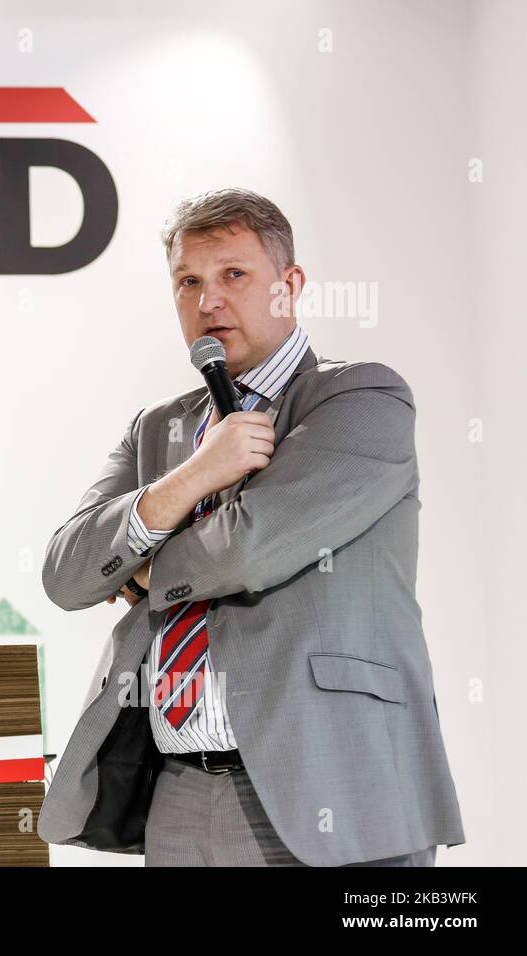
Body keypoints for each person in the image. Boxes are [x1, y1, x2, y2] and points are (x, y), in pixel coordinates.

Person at [36, 188, 465, 866]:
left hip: (332, 781)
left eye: (233, 275)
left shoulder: (360, 397)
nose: (209, 300)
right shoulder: (158, 431)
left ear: (289, 286)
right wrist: (193, 477)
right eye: (189, 282)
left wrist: (142, 565)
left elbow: (248, 549)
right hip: (177, 791)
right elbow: (65, 573)